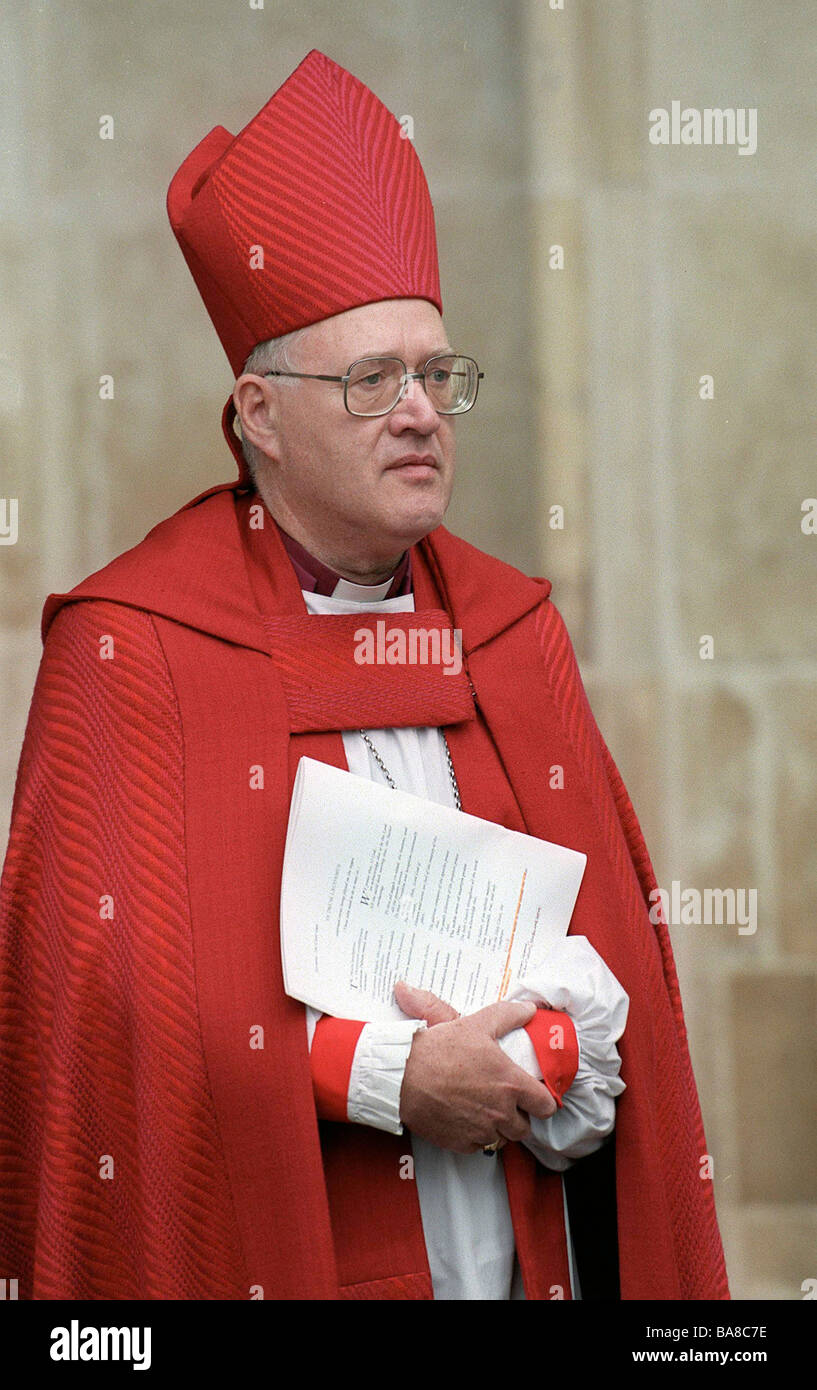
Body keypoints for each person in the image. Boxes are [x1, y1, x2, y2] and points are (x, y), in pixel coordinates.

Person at [0, 50, 728, 1301]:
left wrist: (561, 1044)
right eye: (370, 378)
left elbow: (626, 1006)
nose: (420, 412)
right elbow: (110, 1045)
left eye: (436, 375)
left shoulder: (510, 633)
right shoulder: (130, 649)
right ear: (259, 414)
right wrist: (385, 1076)